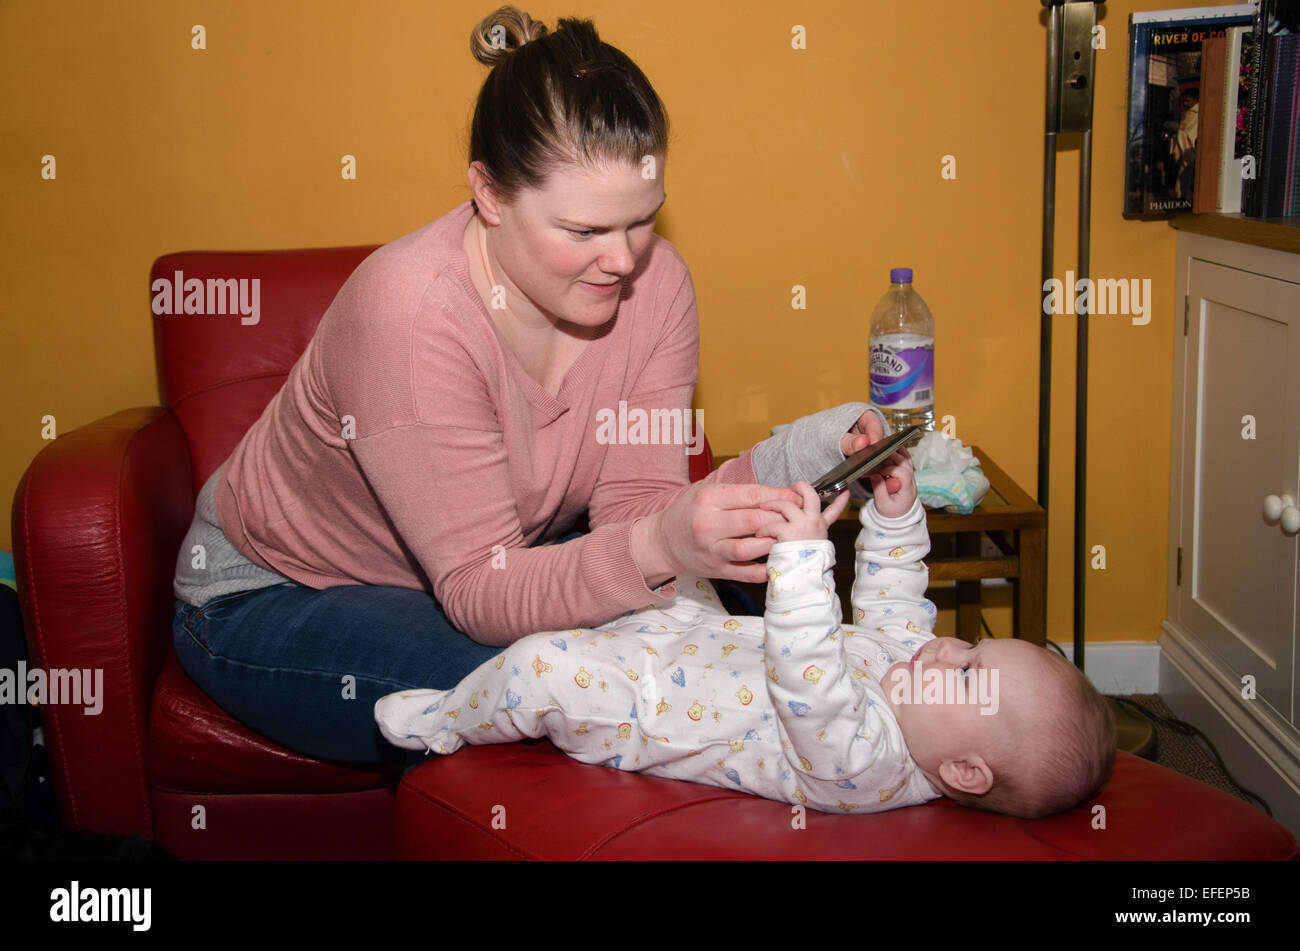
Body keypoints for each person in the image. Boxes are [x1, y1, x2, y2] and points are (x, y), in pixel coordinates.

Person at [170, 6, 894, 767]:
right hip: (276, 594)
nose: (622, 260)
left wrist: (803, 457)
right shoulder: (408, 316)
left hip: (498, 564)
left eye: (642, 220)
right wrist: (659, 543)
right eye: (583, 232)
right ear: (488, 194)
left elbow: (634, 509)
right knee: (577, 695)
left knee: (724, 647)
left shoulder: (657, 286)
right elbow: (488, 588)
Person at [376, 450, 1117, 819]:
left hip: (645, 705)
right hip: (703, 632)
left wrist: (801, 558)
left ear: (962, 772)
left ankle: (446, 719)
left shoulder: (869, 766)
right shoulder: (912, 668)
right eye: (971, 645)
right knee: (681, 547)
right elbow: (895, 595)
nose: (949, 648)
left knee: (539, 667)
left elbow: (809, 677)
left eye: (966, 672)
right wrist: (895, 516)